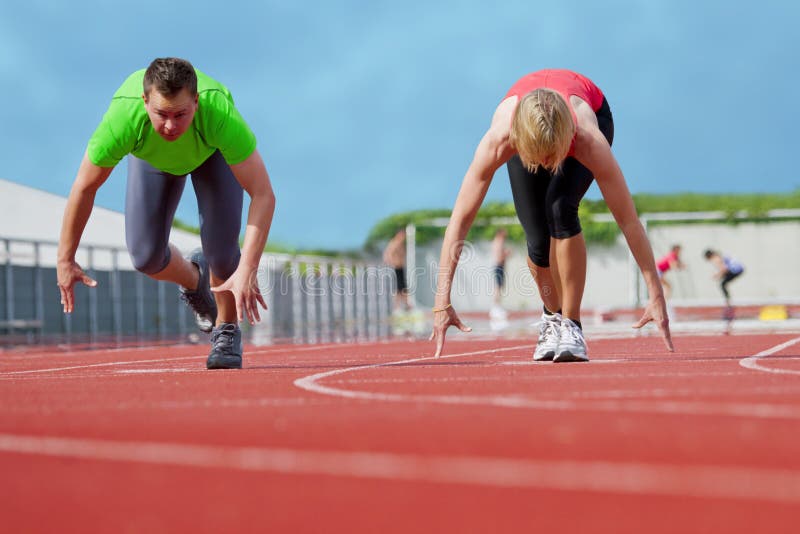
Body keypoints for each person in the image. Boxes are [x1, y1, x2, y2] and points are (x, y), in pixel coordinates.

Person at [430, 69, 673, 362]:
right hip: (530, 129)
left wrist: (655, 293)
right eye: (540, 158)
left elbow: (628, 221)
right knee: (536, 237)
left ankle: (572, 325)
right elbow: (459, 223)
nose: (546, 165)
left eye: (551, 156)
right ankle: (552, 316)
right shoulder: (499, 140)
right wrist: (442, 302)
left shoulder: (588, 140)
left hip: (589, 113)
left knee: (560, 207)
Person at [56, 57, 276, 370]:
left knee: (224, 255)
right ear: (145, 102)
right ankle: (195, 280)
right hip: (153, 160)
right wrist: (65, 259)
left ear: (196, 104)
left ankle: (226, 330)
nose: (171, 126)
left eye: (180, 114)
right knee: (145, 257)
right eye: (161, 114)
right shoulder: (124, 117)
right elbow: (84, 187)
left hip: (211, 154)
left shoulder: (218, 113)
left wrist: (248, 268)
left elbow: (263, 194)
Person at [383, 228, 411, 314]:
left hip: (400, 267)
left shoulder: (400, 243)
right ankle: (401, 306)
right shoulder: (395, 243)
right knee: (401, 288)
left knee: (401, 288)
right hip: (397, 267)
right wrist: (392, 262)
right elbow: (387, 254)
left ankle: (402, 306)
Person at [490, 228, 512, 323]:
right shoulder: (499, 241)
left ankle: (497, 308)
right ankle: (495, 309)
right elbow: (499, 258)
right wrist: (506, 254)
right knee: (498, 288)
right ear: (500, 233)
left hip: (498, 267)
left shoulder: (498, 241)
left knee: (499, 287)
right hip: (498, 266)